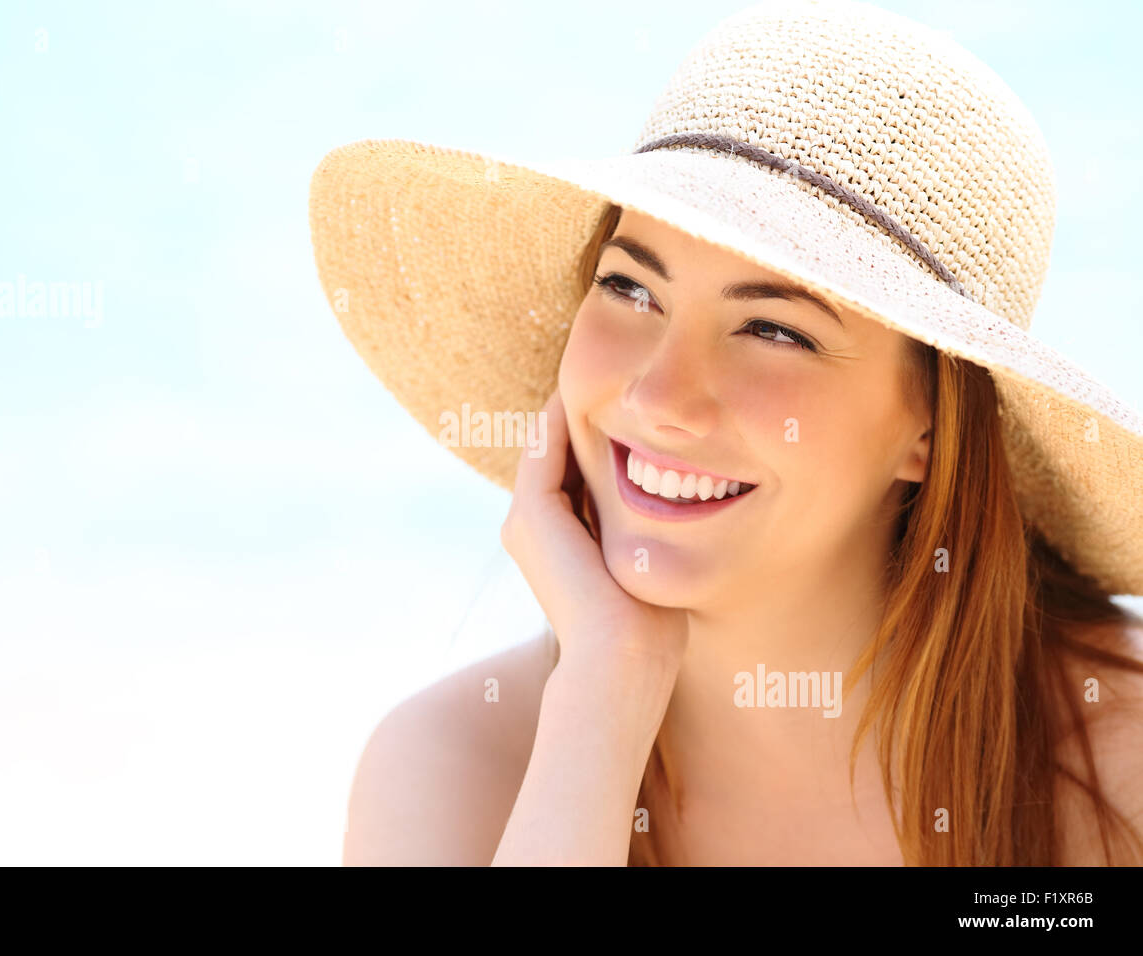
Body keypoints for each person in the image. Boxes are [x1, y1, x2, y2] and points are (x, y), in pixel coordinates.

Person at [310, 0, 1143, 865]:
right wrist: (605, 692)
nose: (663, 397)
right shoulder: (458, 768)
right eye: (631, 289)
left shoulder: (1112, 769)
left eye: (774, 330)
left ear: (927, 432)